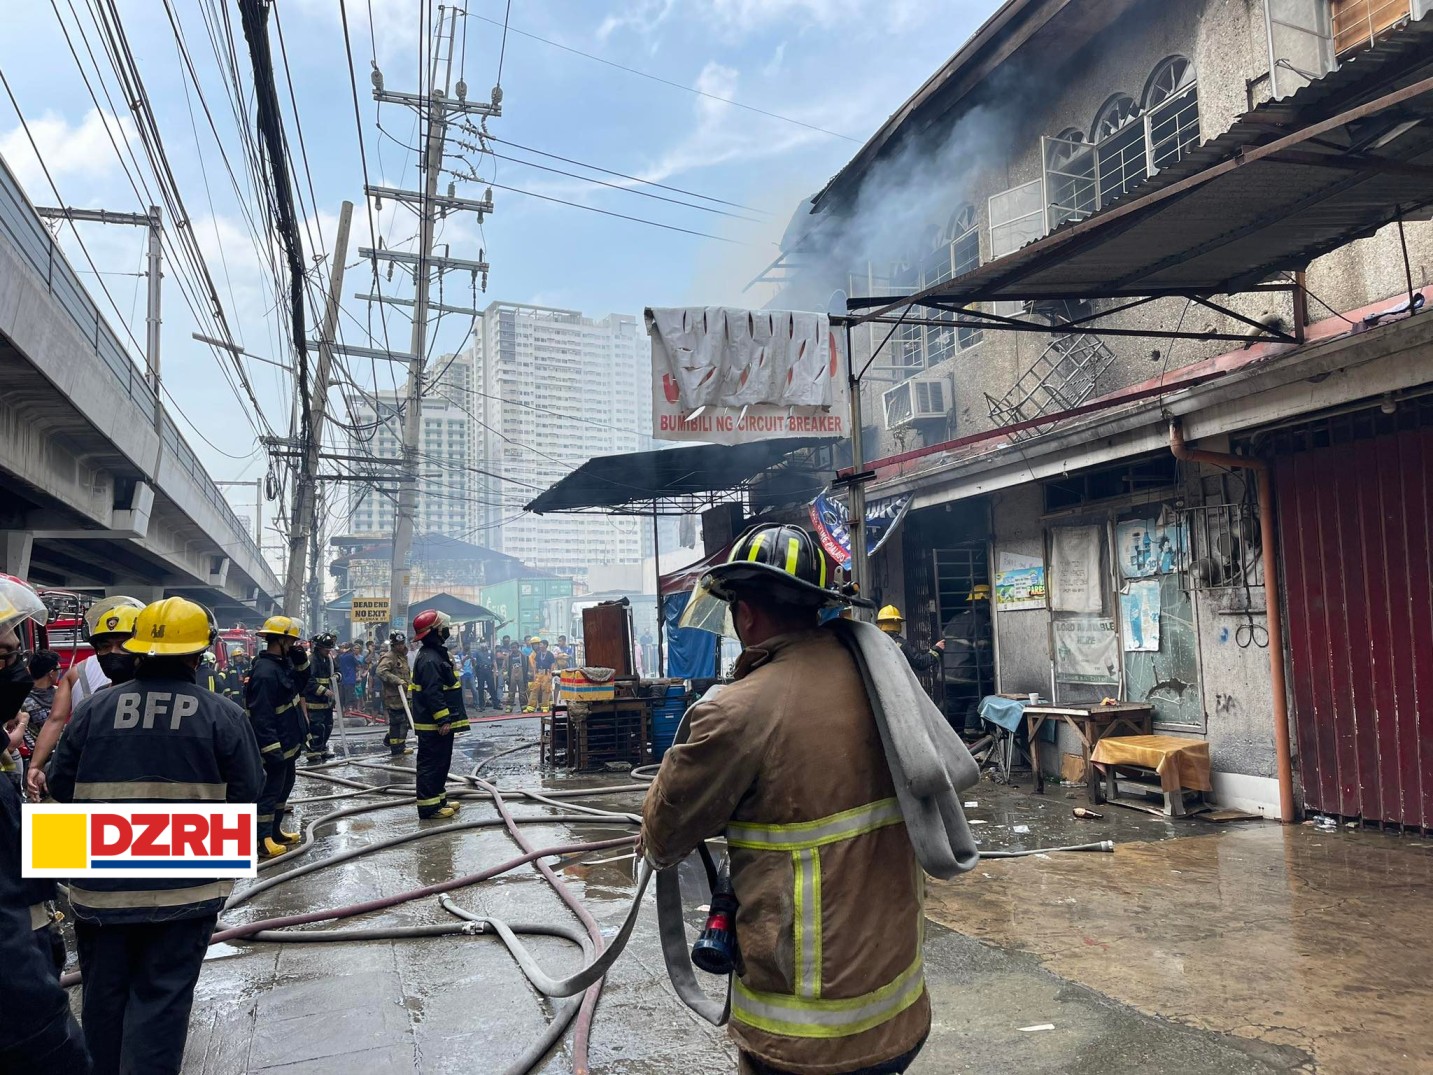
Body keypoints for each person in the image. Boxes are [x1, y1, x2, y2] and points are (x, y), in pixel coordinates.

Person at [642, 525, 929, 1075]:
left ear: (745, 615)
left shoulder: (737, 712)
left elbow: (662, 836)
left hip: (804, 1039)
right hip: (900, 1013)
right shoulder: (885, 682)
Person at [48, 596, 263, 1075]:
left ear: (137, 647)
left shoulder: (93, 710)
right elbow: (249, 794)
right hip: (188, 885)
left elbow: (62, 788)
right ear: (199, 654)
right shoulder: (224, 715)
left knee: (104, 999)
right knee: (163, 1001)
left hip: (98, 886)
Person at [0, 577, 91, 1073]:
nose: (14, 667)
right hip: (23, 1016)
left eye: (16, 654)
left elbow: (22, 847)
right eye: (1, 657)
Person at [25, 595, 144, 801]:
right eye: (106, 646)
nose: (113, 652)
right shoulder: (76, 674)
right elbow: (55, 719)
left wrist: (37, 765)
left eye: (123, 645)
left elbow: (55, 720)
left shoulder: (77, 672)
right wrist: (35, 766)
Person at [244, 615, 308, 858]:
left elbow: (300, 686)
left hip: (288, 740)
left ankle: (275, 831)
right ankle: (261, 840)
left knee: (283, 788)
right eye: (290, 641)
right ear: (280, 640)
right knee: (269, 791)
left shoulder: (282, 664)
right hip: (275, 743)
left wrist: (302, 663)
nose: (293, 645)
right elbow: (262, 714)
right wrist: (270, 748)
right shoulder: (265, 672)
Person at [410, 610, 468, 820]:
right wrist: (443, 718)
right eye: (444, 628)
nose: (447, 631)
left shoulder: (434, 654)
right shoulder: (429, 659)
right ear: (435, 631)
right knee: (431, 764)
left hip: (438, 723)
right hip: (433, 724)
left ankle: (438, 799)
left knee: (441, 762)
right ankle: (428, 808)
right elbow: (432, 692)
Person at [876, 605, 945, 675]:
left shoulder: (874, 642)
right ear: (897, 623)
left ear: (880, 624)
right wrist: (937, 650)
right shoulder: (902, 645)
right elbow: (920, 663)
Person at [376, 632, 413, 756]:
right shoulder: (390, 656)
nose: (400, 646)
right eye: (397, 644)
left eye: (402, 644)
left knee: (404, 722)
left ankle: (396, 743)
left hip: (405, 695)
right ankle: (397, 748)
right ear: (393, 645)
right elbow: (381, 671)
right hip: (394, 696)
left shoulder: (403, 657)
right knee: (398, 722)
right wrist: (397, 681)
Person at [303, 633, 338, 762]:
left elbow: (338, 671)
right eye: (325, 649)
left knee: (328, 726)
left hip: (327, 702)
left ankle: (322, 748)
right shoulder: (312, 660)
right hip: (314, 701)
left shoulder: (329, 659)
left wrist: (337, 677)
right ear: (318, 648)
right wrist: (324, 691)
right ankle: (313, 751)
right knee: (316, 727)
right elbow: (308, 681)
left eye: (329, 649)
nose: (328, 651)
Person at [526, 638, 557, 713]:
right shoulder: (538, 654)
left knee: (546, 690)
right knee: (534, 690)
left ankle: (545, 706)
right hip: (539, 674)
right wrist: (534, 675)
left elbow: (552, 665)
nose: (539, 646)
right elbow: (535, 665)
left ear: (545, 645)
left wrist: (551, 675)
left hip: (546, 674)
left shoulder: (550, 654)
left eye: (541, 645)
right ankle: (531, 707)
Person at [472, 642, 500, 710]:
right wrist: (474, 672)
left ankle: (496, 704)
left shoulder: (490, 651)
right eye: (482, 643)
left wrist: (496, 670)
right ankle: (481, 705)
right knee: (480, 688)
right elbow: (474, 663)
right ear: (480, 645)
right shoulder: (477, 652)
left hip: (489, 670)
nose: (484, 645)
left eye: (485, 643)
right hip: (480, 670)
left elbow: (494, 661)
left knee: (492, 687)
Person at [504, 638, 529, 713]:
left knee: (522, 691)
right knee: (511, 691)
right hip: (512, 674)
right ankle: (509, 706)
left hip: (521, 674)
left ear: (518, 647)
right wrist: (506, 677)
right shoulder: (508, 657)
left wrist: (527, 676)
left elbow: (527, 667)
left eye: (515, 647)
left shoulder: (524, 656)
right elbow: (504, 667)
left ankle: (524, 706)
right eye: (512, 648)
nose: (513, 649)